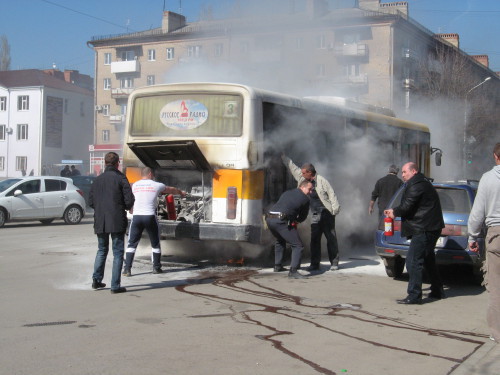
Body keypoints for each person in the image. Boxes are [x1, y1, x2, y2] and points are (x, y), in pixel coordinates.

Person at [384, 162, 445, 305]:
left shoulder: (417, 185)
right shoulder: (421, 182)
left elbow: (407, 206)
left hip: (423, 229)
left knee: (412, 261)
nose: (403, 175)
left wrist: (394, 212)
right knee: (428, 260)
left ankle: (414, 295)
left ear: (414, 171)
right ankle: (437, 290)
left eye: (405, 172)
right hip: (428, 227)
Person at [282, 154, 341, 271]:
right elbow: (293, 167)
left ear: (310, 172)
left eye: (304, 173)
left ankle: (334, 262)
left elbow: (331, 194)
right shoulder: (302, 178)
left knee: (331, 238)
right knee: (314, 239)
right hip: (315, 214)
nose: (302, 175)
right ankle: (314, 264)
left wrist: (335, 210)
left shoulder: (322, 181)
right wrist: (284, 157)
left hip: (326, 212)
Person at [123, 167, 186, 276]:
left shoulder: (135, 185)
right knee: (155, 242)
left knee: (132, 243)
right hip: (150, 217)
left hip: (137, 217)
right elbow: (170, 190)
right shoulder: (156, 185)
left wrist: (130, 208)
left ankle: (127, 269)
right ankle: (156, 268)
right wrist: (181, 192)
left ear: (141, 175)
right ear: (150, 174)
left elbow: (128, 196)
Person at [468, 142, 500, 342]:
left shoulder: (488, 179)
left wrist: (472, 236)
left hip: (496, 236)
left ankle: (497, 333)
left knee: (496, 288)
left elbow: (477, 213)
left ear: (495, 156)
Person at [89, 152, 135, 294]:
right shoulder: (121, 178)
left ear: (104, 163)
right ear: (117, 164)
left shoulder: (97, 180)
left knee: (102, 250)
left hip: (100, 220)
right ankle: (115, 286)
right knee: (117, 252)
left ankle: (96, 280)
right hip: (116, 220)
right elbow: (129, 201)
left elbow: (90, 202)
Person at [265, 180, 313, 279]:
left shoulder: (287, 192)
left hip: (269, 219)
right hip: (280, 221)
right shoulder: (305, 199)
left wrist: (291, 220)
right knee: (298, 245)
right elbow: (303, 217)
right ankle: (293, 271)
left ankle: (277, 266)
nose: (311, 192)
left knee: (280, 240)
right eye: (309, 189)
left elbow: (285, 206)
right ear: (302, 187)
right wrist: (296, 221)